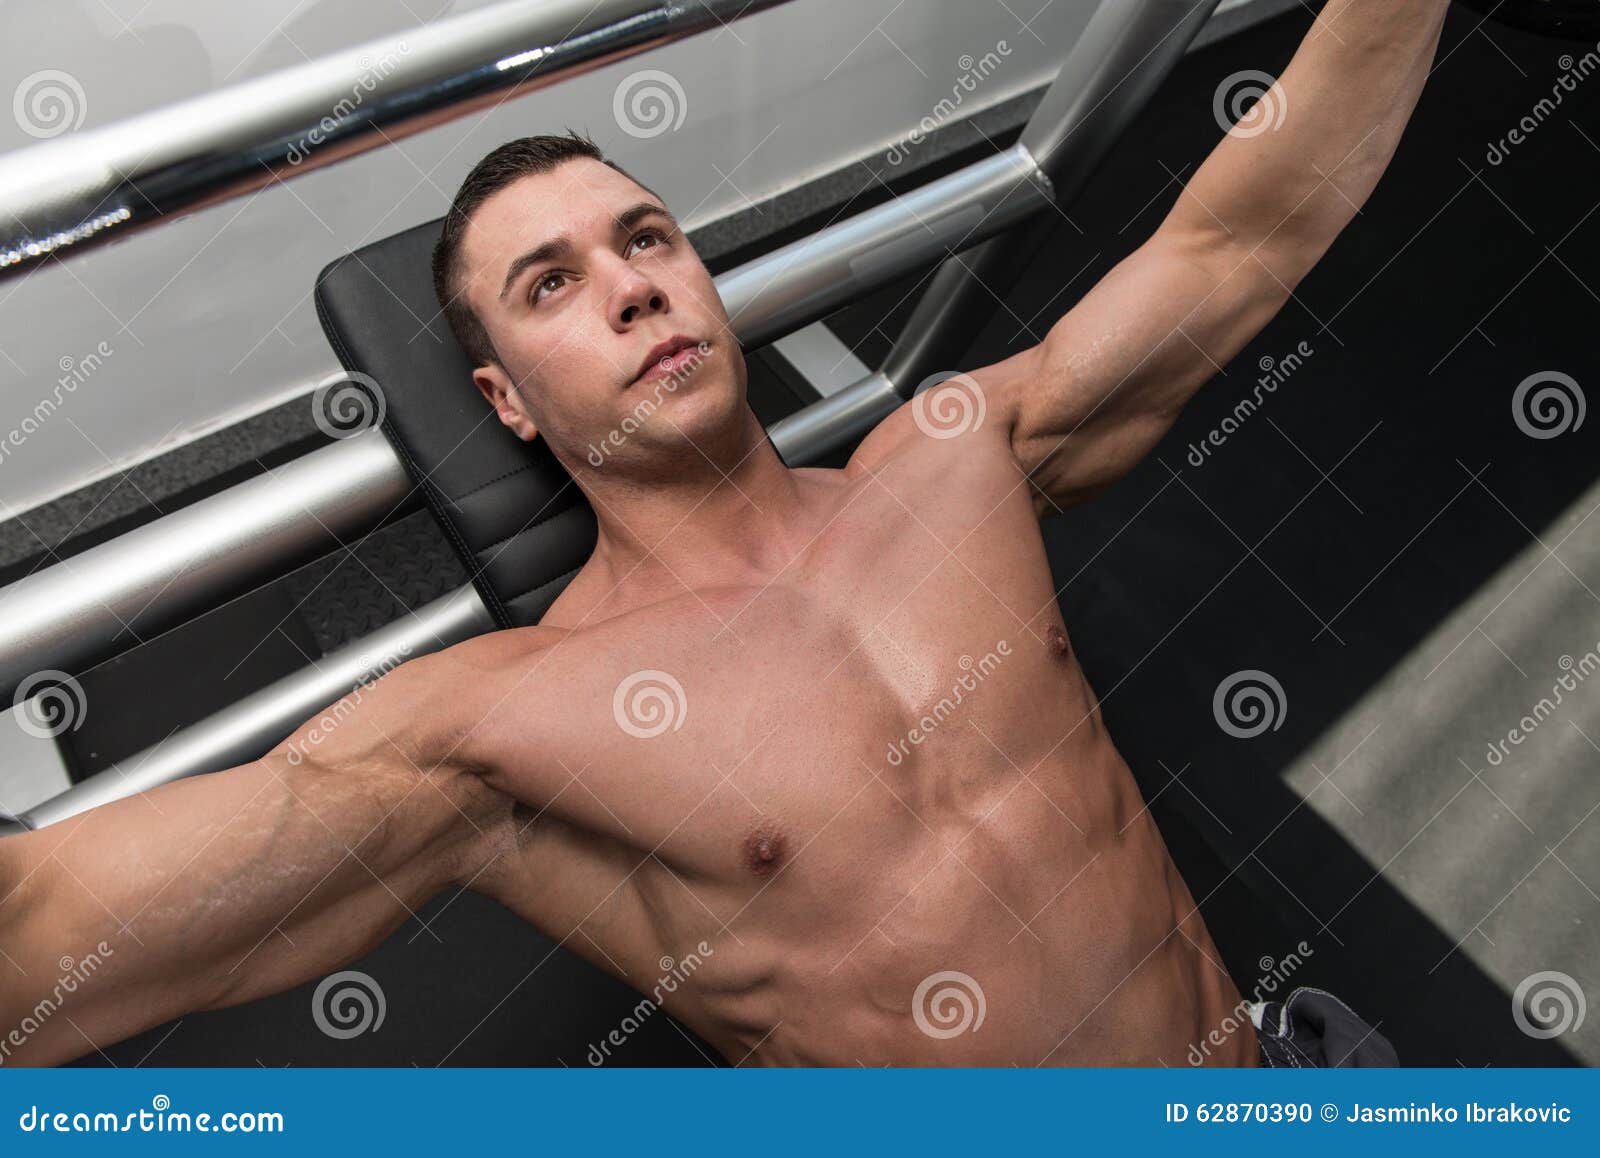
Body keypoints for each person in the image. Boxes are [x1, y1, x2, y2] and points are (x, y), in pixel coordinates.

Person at [0, 0, 1443, 1068]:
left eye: (646, 240)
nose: (630, 288)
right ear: (502, 400)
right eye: (551, 284)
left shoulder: (953, 462)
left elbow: (1238, 238)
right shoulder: (499, 728)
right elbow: (44, 931)